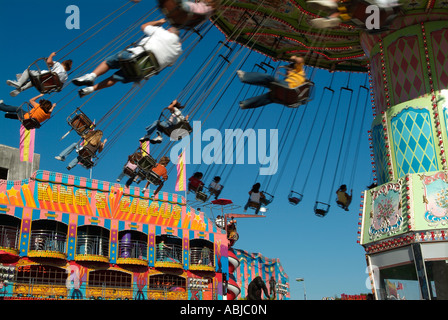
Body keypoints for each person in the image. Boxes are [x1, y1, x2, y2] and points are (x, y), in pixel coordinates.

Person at [72, 19, 182, 97]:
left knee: (109, 62)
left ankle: (92, 76)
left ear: (169, 30)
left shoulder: (161, 32)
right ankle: (91, 89)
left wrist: (158, 22)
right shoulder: (178, 51)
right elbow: (170, 64)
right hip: (141, 73)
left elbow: (144, 26)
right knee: (114, 79)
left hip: (133, 57)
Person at [236, 55, 306, 109]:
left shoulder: (298, 70)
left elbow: (300, 60)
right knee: (270, 97)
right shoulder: (289, 78)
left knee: (269, 79)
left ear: (291, 68)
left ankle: (244, 76)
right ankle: (245, 104)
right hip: (291, 97)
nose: (287, 72)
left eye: (288, 70)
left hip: (291, 87)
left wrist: (294, 58)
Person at [7, 52, 72, 97]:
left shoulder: (58, 65)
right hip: (45, 86)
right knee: (33, 82)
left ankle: (19, 83)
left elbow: (49, 62)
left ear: (63, 63)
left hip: (42, 77)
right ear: (68, 69)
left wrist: (51, 55)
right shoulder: (66, 76)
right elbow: (60, 87)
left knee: (28, 71)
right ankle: (19, 90)